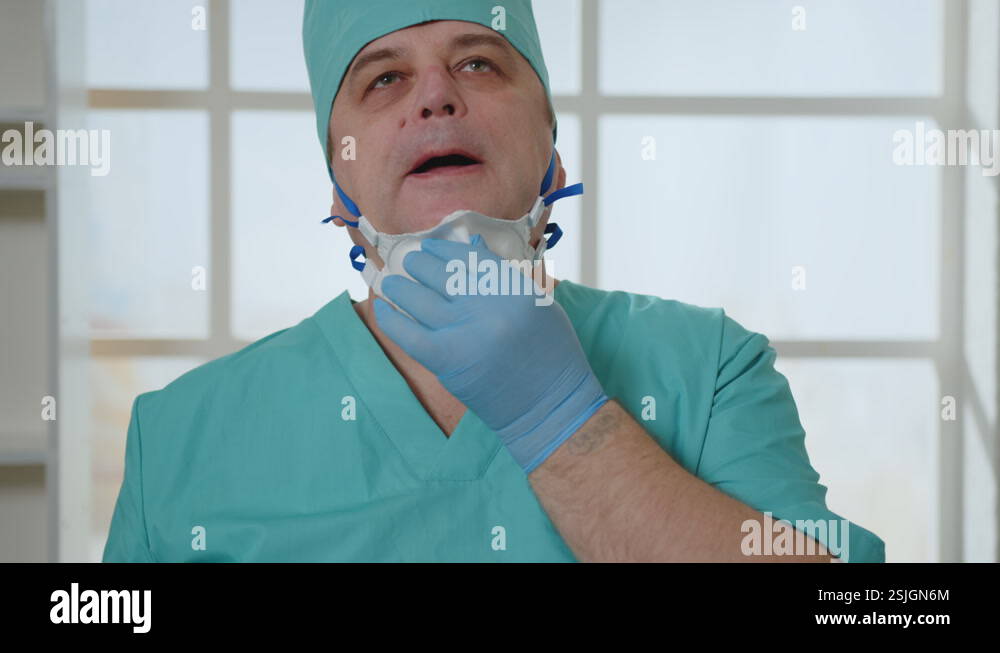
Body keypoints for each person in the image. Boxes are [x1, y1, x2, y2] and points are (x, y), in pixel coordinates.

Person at [102, 0, 885, 563]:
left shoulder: (709, 370)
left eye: (479, 61)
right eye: (382, 79)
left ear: (554, 155)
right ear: (336, 192)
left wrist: (566, 427)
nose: (436, 95)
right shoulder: (178, 441)